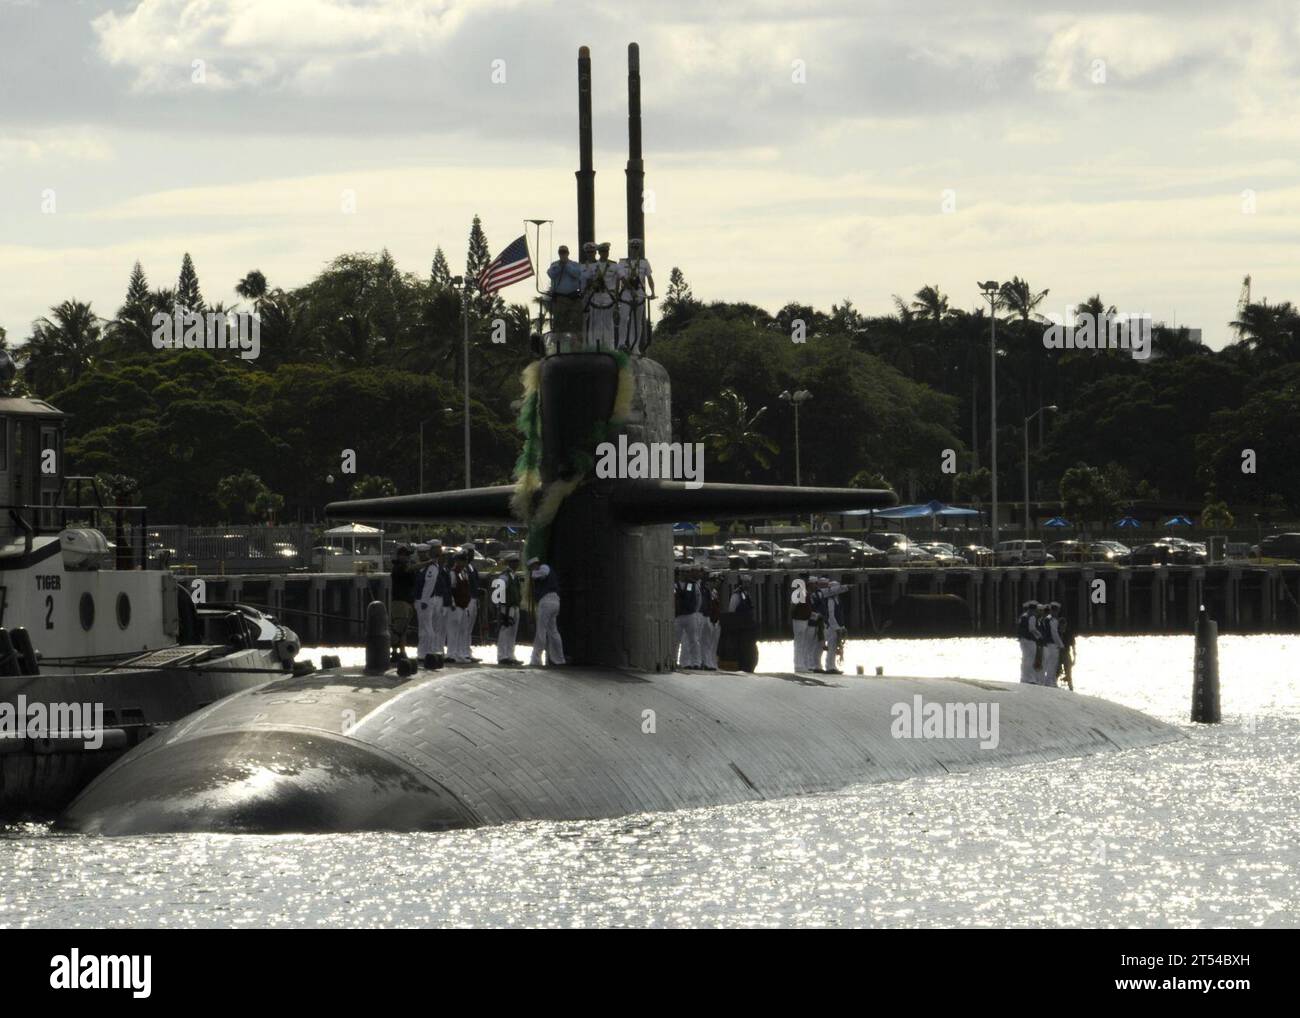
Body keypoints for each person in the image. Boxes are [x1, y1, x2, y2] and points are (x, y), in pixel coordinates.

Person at [582, 241, 621, 352]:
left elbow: (619, 280)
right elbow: (588, 281)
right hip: (596, 295)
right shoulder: (593, 266)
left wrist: (617, 296)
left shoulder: (614, 265)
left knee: (608, 323)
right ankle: (594, 346)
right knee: (595, 322)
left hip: (608, 296)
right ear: (598, 253)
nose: (605, 253)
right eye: (603, 251)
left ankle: (609, 347)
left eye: (606, 251)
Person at [617, 238, 654, 352]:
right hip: (626, 293)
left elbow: (649, 278)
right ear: (629, 249)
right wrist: (630, 290)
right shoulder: (622, 263)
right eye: (632, 247)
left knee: (637, 321)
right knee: (624, 319)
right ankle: (621, 344)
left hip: (640, 294)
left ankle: (635, 346)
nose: (634, 250)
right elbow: (622, 278)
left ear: (639, 249)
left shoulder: (644, 262)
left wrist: (653, 292)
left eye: (636, 248)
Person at [529, 556, 565, 666]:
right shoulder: (545, 569)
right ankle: (558, 659)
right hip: (554, 601)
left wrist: (533, 573)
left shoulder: (544, 568)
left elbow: (539, 574)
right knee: (553, 631)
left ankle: (536, 659)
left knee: (541, 630)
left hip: (546, 601)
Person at [492, 552, 523, 665]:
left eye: (517, 562)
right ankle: (502, 655)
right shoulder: (504, 576)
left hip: (514, 606)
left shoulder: (514, 576)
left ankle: (510, 655)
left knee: (512, 633)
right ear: (509, 563)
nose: (516, 564)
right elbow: (497, 594)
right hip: (506, 607)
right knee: (504, 631)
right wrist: (500, 608)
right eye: (514, 562)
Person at [547, 244, 583, 337]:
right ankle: (559, 346)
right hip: (560, 299)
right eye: (561, 252)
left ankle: (576, 346)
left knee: (576, 323)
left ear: (568, 253)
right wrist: (560, 266)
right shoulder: (554, 265)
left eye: (564, 252)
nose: (563, 254)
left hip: (573, 299)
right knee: (559, 324)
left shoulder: (574, 264)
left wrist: (566, 265)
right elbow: (551, 274)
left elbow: (577, 274)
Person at [389, 545, 416, 661]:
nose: (408, 557)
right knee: (398, 629)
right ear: (400, 556)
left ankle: (402, 651)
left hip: (407, 601)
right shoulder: (398, 568)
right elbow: (409, 571)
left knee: (404, 629)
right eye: (406, 555)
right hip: (400, 602)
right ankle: (394, 651)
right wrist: (429, 562)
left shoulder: (406, 567)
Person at [446, 551, 473, 663]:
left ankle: (459, 653)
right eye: (462, 560)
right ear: (457, 561)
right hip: (456, 605)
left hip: (463, 605)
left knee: (462, 630)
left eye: (465, 560)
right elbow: (450, 590)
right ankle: (451, 654)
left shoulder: (464, 572)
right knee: (453, 630)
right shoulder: (453, 573)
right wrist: (452, 603)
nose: (464, 562)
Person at [673, 570, 701, 668]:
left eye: (686, 572)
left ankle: (696, 662)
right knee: (676, 640)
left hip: (690, 615)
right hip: (678, 616)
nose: (684, 574)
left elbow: (698, 599)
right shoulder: (674, 585)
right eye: (682, 572)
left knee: (693, 640)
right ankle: (674, 661)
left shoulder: (693, 585)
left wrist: (695, 611)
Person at [463, 545, 482, 662]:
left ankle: (467, 651)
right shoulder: (463, 568)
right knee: (464, 627)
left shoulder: (471, 568)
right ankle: (463, 651)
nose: (472, 555)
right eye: (470, 553)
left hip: (473, 599)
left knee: (469, 628)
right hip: (467, 599)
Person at [791, 574, 813, 672]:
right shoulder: (799, 592)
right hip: (799, 619)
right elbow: (793, 606)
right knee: (799, 643)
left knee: (803, 643)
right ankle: (798, 665)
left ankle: (803, 664)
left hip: (804, 619)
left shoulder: (804, 592)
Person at [700, 572, 722, 670]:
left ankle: (711, 662)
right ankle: (706, 662)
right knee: (706, 642)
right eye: (717, 581)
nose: (718, 583)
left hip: (715, 621)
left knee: (713, 645)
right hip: (708, 618)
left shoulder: (714, 592)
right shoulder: (706, 591)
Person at [1042, 601, 1066, 688]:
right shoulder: (1053, 620)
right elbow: (1054, 633)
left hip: (1046, 644)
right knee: (1053, 664)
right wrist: (1061, 644)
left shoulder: (1046, 618)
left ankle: (1049, 681)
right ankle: (1050, 682)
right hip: (1052, 644)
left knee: (1048, 663)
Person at [1016, 600, 1040, 684]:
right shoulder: (1032, 617)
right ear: (1034, 609)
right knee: (1030, 659)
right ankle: (1030, 678)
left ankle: (1023, 677)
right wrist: (1039, 635)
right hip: (1030, 640)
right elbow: (1032, 628)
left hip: (1022, 639)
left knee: (1025, 658)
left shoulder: (1023, 616)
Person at [1056, 605, 1076, 690]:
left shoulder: (1069, 634)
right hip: (1058, 654)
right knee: (1057, 672)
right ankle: (1055, 685)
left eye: (1064, 625)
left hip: (1066, 654)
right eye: (1061, 625)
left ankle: (1070, 687)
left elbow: (1073, 646)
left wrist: (1074, 658)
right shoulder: (1056, 633)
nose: (1062, 627)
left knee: (1068, 673)